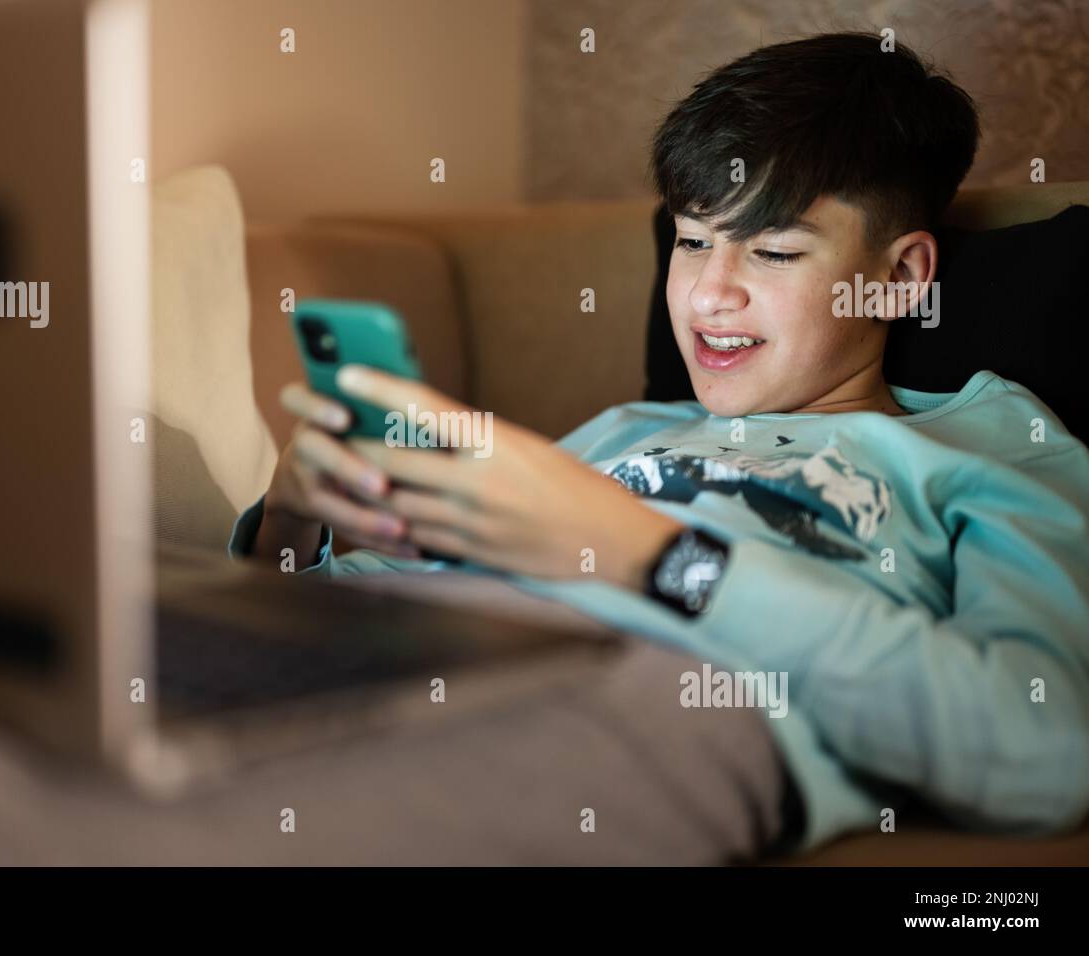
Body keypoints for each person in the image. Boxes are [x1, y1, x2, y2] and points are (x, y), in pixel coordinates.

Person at [230, 32, 1089, 852]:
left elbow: (1040, 756)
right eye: (691, 241)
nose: (709, 296)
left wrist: (651, 555)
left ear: (898, 279)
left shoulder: (990, 449)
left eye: (774, 253)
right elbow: (341, 597)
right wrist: (296, 521)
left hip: (657, 689)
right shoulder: (633, 429)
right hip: (433, 641)